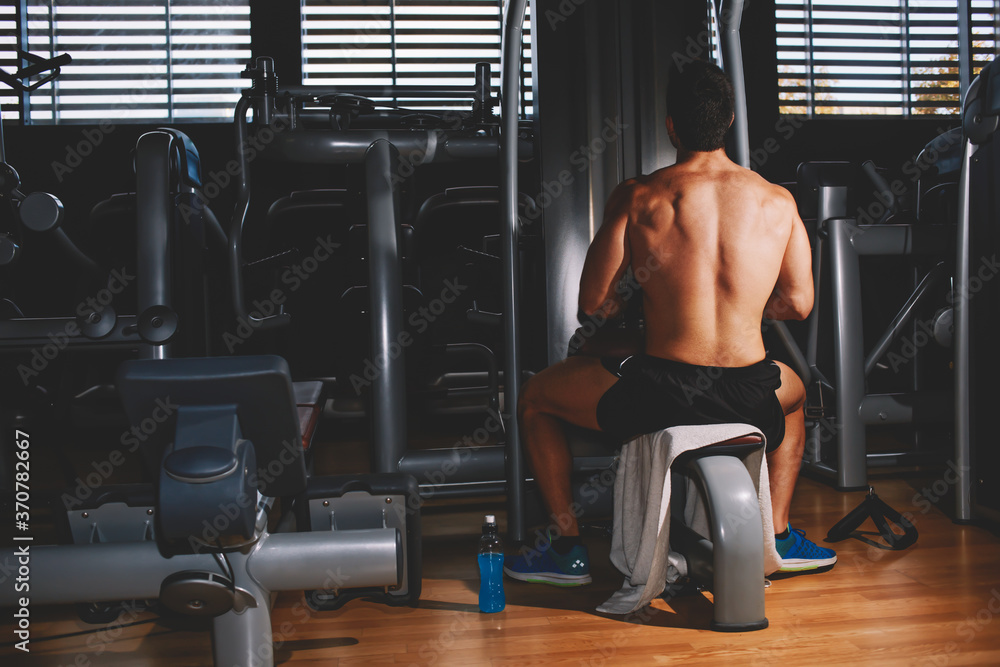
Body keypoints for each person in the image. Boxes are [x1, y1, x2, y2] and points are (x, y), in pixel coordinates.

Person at [504, 59, 836, 586]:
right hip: (750, 393)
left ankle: (565, 547)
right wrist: (747, 310)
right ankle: (779, 533)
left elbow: (592, 306)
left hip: (660, 394)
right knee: (795, 397)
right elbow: (798, 304)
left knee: (535, 398)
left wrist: (652, 311)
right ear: (727, 121)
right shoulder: (778, 200)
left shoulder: (639, 196)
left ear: (671, 126)